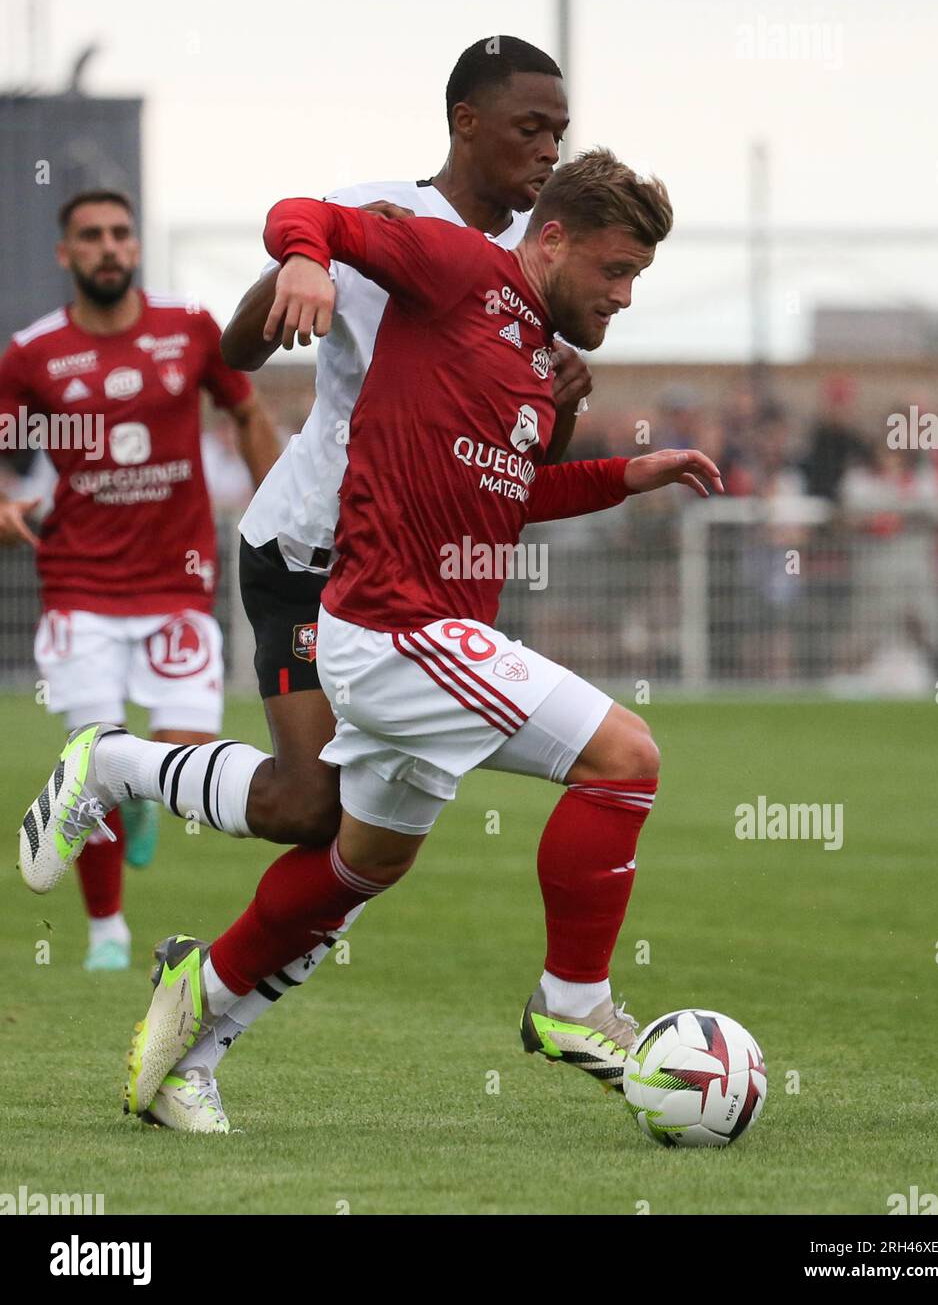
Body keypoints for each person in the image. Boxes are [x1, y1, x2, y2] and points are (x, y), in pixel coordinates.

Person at [22, 148, 723, 1133]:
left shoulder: (532, 362)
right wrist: (305, 261)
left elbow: (509, 499)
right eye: (613, 271)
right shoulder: (455, 267)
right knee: (624, 757)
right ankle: (572, 1008)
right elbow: (304, 211)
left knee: (354, 867)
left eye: (635, 278)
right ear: (552, 240)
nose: (623, 296)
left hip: (422, 636)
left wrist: (623, 475)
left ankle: (190, 998)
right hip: (396, 630)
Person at [3, 190, 279, 977]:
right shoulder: (31, 354)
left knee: (188, 756)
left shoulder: (189, 329)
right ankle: (106, 932)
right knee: (88, 758)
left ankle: (141, 789)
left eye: (120, 233)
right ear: (66, 254)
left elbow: (249, 412)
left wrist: (274, 512)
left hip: (178, 582)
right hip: (78, 587)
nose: (108, 247)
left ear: (135, 247)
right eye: (90, 236)